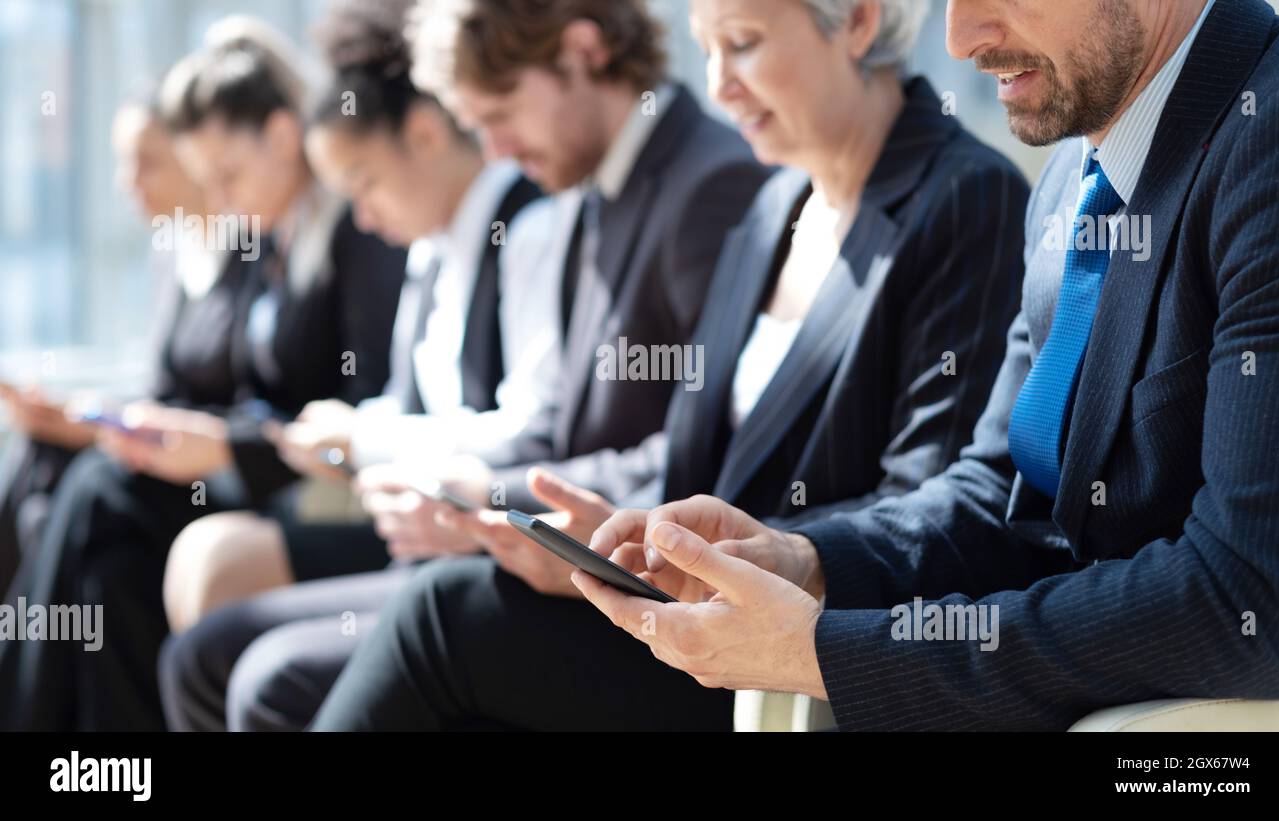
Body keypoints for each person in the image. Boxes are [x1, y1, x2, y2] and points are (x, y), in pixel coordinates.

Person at [552, 0, 1279, 731]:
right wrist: (801, 558)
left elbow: (1250, 596)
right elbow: (1001, 494)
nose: (959, 38)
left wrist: (826, 650)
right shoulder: (1070, 181)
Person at [306, 0, 1029, 732]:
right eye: (706, 50)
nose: (718, 86)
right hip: (694, 612)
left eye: (743, 44)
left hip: (804, 654)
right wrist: (620, 533)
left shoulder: (966, 196)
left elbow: (934, 511)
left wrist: (726, 556)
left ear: (858, 22)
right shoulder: (776, 203)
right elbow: (697, 456)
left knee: (442, 617)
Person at [159, 0, 769, 731]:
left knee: (272, 669)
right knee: (216, 651)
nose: (496, 148)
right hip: (557, 554)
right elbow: (552, 423)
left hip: (637, 598)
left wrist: (486, 495)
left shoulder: (703, 185)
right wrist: (480, 497)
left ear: (583, 53)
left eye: (500, 112)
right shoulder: (588, 189)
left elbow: (710, 456)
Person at [0, 19, 407, 731]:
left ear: (283, 137)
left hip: (313, 488)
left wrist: (223, 442)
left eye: (226, 175)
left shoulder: (351, 231)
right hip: (261, 466)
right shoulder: (275, 239)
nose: (217, 199)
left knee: (100, 493)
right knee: (108, 562)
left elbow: (363, 407)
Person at [158, 0, 552, 634]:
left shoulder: (528, 228)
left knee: (217, 583)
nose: (364, 217)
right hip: (415, 518)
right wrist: (348, 435)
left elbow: (535, 433)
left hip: (468, 534)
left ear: (424, 134)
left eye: (364, 184)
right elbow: (404, 402)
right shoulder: (429, 249)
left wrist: (360, 439)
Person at [0, 98, 214, 596]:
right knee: (37, 449)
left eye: (149, 161)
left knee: (93, 496)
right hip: (161, 441)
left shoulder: (248, 253)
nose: (127, 181)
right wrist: (79, 419)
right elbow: (162, 390)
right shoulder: (172, 256)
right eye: (124, 161)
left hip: (196, 466)